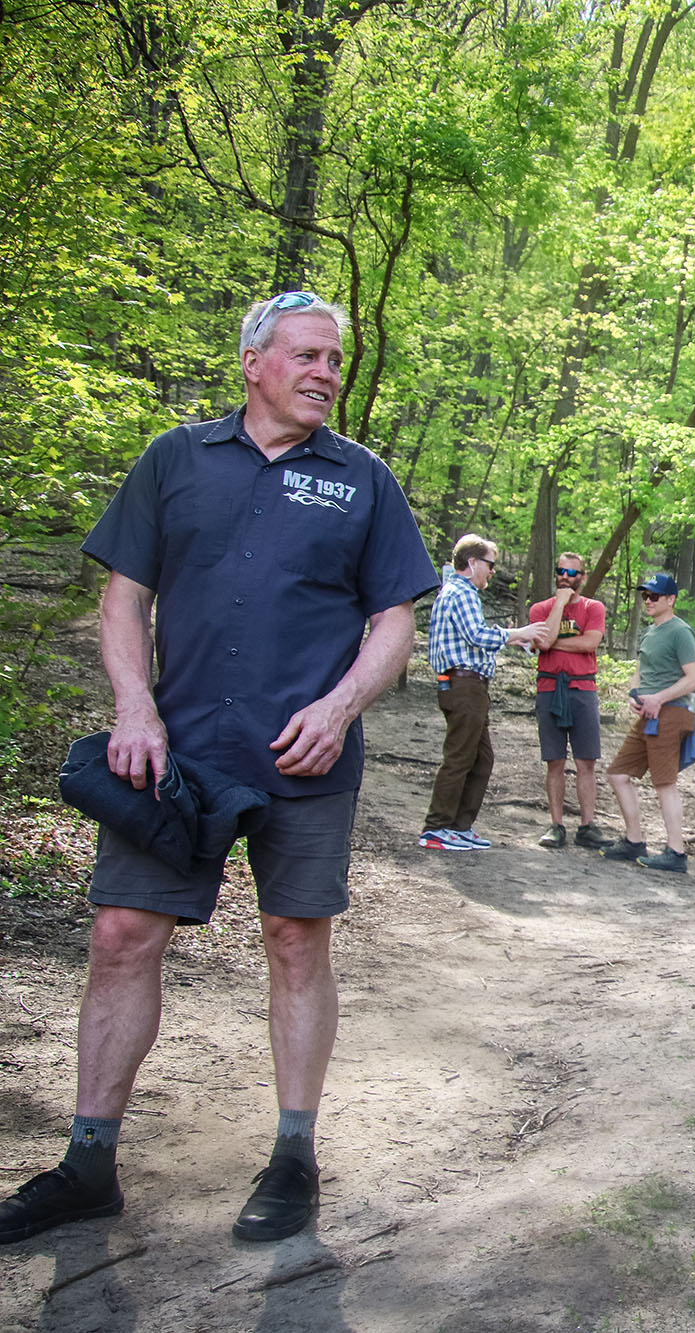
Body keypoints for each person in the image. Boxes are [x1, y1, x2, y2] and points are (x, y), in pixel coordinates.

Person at [0, 291, 437, 1247]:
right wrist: (134, 707)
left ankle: (292, 1157)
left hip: (305, 755)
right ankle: (87, 1162)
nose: (326, 371)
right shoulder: (174, 458)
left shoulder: (363, 479)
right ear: (253, 361)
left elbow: (397, 620)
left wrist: (337, 709)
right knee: (120, 931)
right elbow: (124, 596)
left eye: (335, 358)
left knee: (293, 937)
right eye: (309, 355)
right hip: (177, 752)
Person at [421, 534, 542, 850]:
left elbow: (473, 637)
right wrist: (519, 632)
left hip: (469, 686)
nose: (493, 571)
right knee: (460, 756)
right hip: (464, 686)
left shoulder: (461, 594)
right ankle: (436, 828)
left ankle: (460, 826)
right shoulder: (461, 593)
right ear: (472, 563)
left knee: (482, 758)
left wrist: (516, 640)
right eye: (490, 564)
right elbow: (476, 636)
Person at [601, 572, 695, 873]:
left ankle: (676, 852)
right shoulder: (650, 632)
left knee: (665, 783)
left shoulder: (680, 632)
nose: (648, 600)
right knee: (618, 774)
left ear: (671, 600)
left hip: (670, 714)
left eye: (654, 596)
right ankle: (634, 841)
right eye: (645, 595)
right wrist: (635, 693)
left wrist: (659, 698)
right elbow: (641, 668)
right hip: (649, 714)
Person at [529, 551, 614, 851]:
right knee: (554, 761)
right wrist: (560, 605)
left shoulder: (594, 607)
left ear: (582, 577)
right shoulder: (540, 609)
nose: (565, 576)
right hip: (549, 689)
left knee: (586, 761)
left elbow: (591, 642)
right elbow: (541, 640)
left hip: (583, 690)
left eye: (572, 572)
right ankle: (556, 826)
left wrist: (554, 643)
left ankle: (587, 826)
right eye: (560, 571)